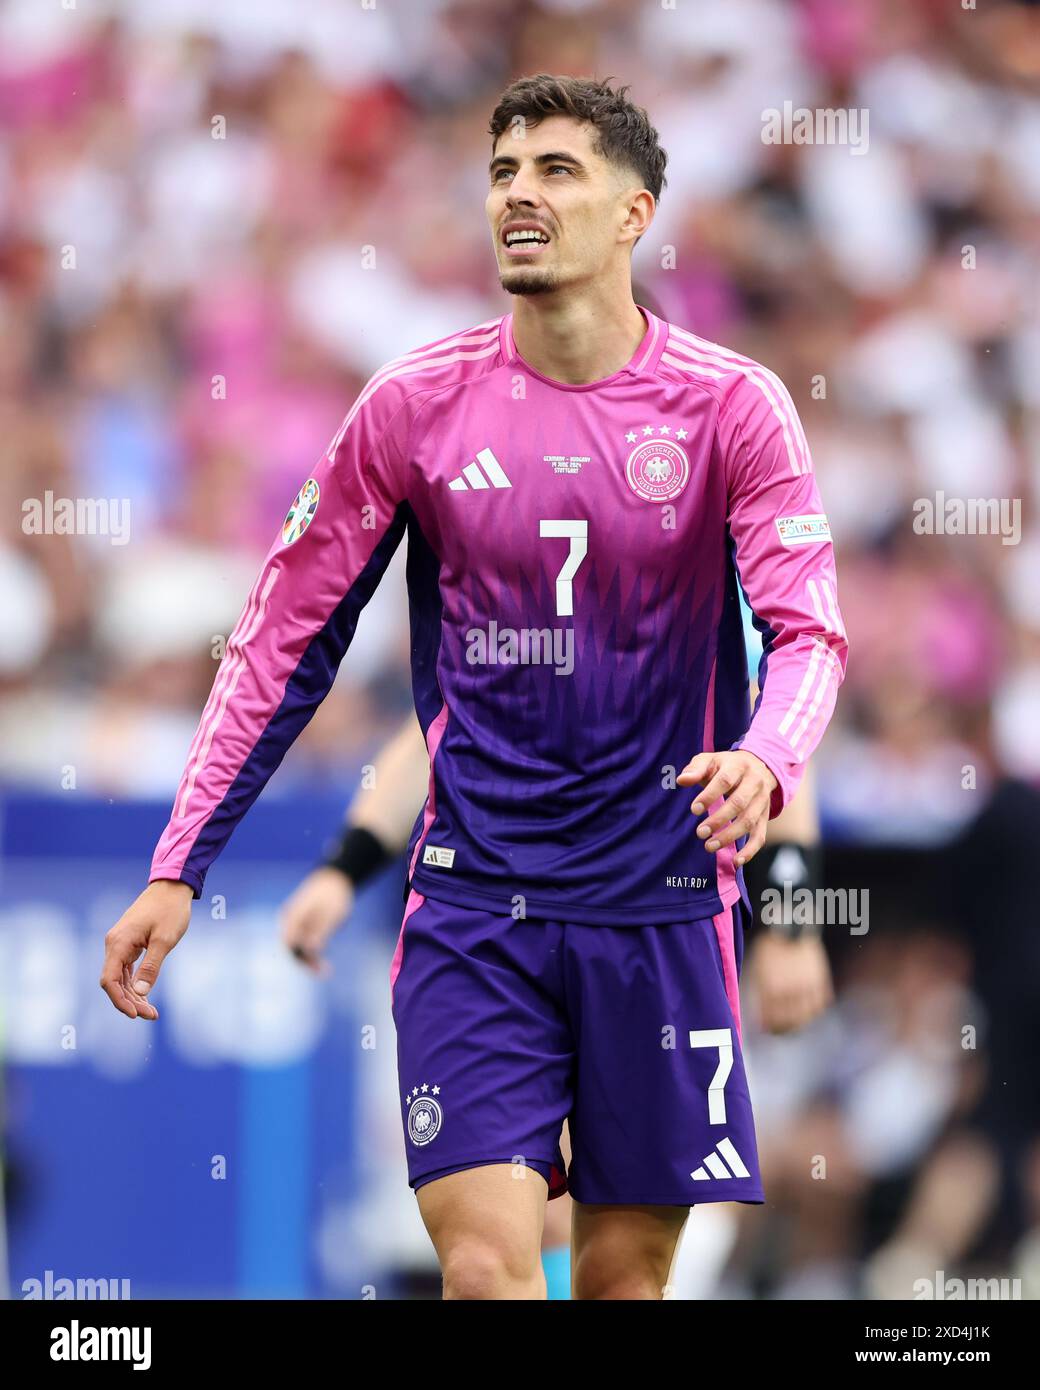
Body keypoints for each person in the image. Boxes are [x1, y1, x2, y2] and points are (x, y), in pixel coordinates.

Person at [101, 74, 848, 1300]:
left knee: (620, 1283)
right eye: (503, 170)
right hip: (474, 905)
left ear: (632, 214)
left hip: (660, 907)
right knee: (487, 1269)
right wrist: (182, 862)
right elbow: (282, 639)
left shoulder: (731, 409)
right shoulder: (412, 406)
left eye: (556, 171)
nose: (518, 193)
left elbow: (807, 635)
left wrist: (766, 762)